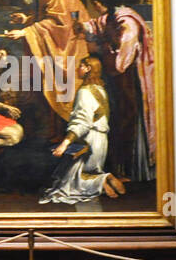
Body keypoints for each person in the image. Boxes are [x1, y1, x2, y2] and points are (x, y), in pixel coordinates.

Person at [78, 0, 156, 181]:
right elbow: (97, 26)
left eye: (95, 3)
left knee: (128, 117)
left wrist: (105, 56)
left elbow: (124, 54)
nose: (95, 7)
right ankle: (116, 167)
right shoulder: (111, 16)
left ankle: (130, 170)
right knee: (115, 117)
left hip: (129, 76)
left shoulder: (127, 20)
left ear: (101, 2)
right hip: (116, 74)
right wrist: (83, 28)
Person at [3, 0, 89, 121]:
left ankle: (67, 131)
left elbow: (60, 25)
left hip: (68, 46)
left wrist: (25, 31)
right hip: (60, 44)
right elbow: (46, 18)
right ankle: (55, 130)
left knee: (62, 86)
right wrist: (26, 19)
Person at [41, 56, 126, 203]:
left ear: (88, 69)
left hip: (89, 141)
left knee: (67, 186)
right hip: (101, 141)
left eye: (80, 66)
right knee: (73, 174)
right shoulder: (100, 90)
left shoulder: (84, 92)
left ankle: (103, 179)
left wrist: (65, 144)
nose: (77, 69)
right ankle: (103, 178)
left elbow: (82, 122)